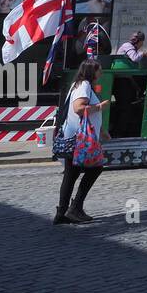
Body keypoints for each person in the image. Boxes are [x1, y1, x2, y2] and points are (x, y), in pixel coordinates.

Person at [54, 59, 109, 225]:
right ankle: (75, 208)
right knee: (95, 168)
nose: (101, 73)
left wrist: (101, 131)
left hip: (75, 136)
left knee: (71, 175)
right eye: (99, 70)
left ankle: (62, 213)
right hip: (80, 139)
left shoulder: (78, 85)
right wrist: (99, 107)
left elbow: (86, 114)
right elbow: (79, 108)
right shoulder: (84, 85)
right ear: (92, 71)